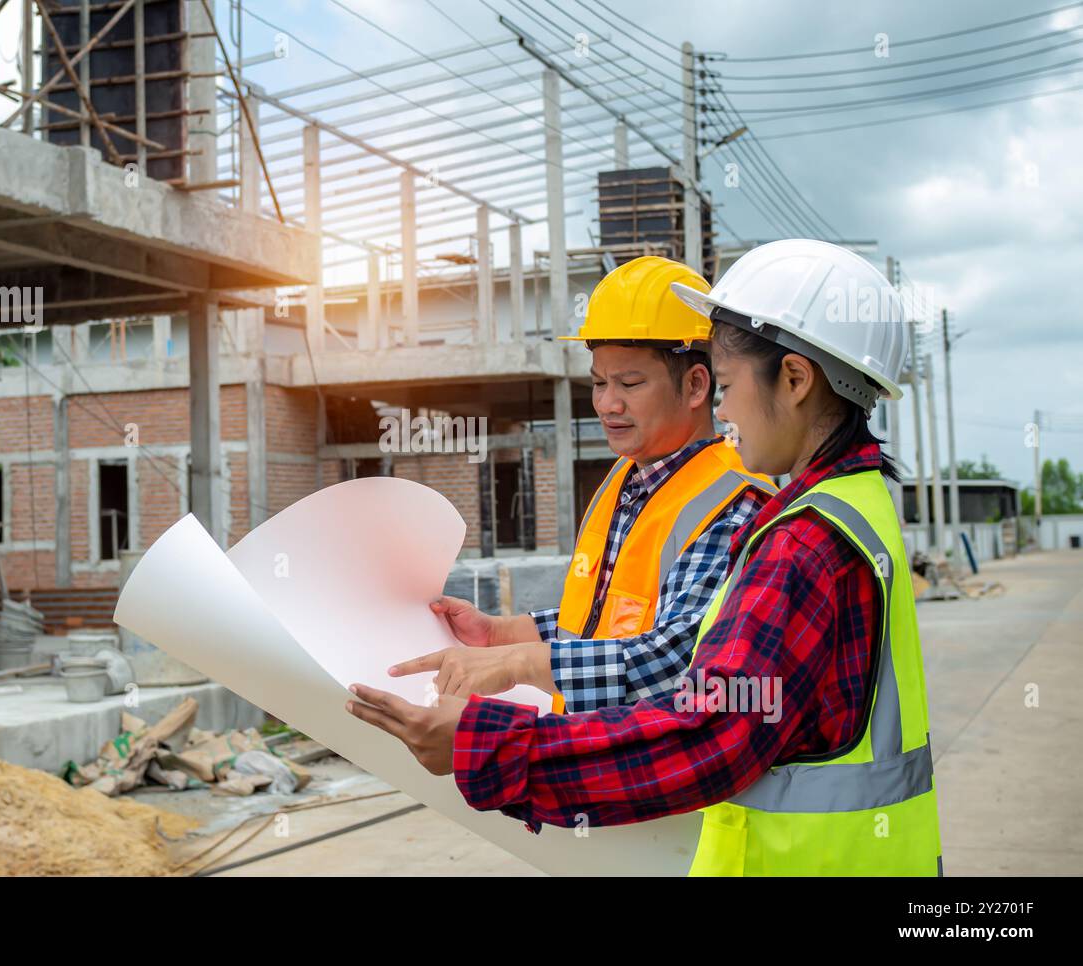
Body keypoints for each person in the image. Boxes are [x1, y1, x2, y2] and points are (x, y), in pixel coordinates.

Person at [347, 239, 943, 876]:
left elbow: (710, 733)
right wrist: (511, 637)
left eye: (731, 384)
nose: (725, 409)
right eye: (600, 382)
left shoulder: (798, 538)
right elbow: (632, 620)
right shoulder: (851, 499)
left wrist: (490, 745)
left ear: (795, 379)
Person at [405, 256, 772, 715]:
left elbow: (677, 656)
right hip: (596, 764)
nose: (607, 403)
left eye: (629, 382)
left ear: (697, 385)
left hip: (659, 773)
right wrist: (501, 633)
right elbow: (608, 619)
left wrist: (517, 662)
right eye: (598, 382)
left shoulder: (733, 503)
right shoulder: (626, 478)